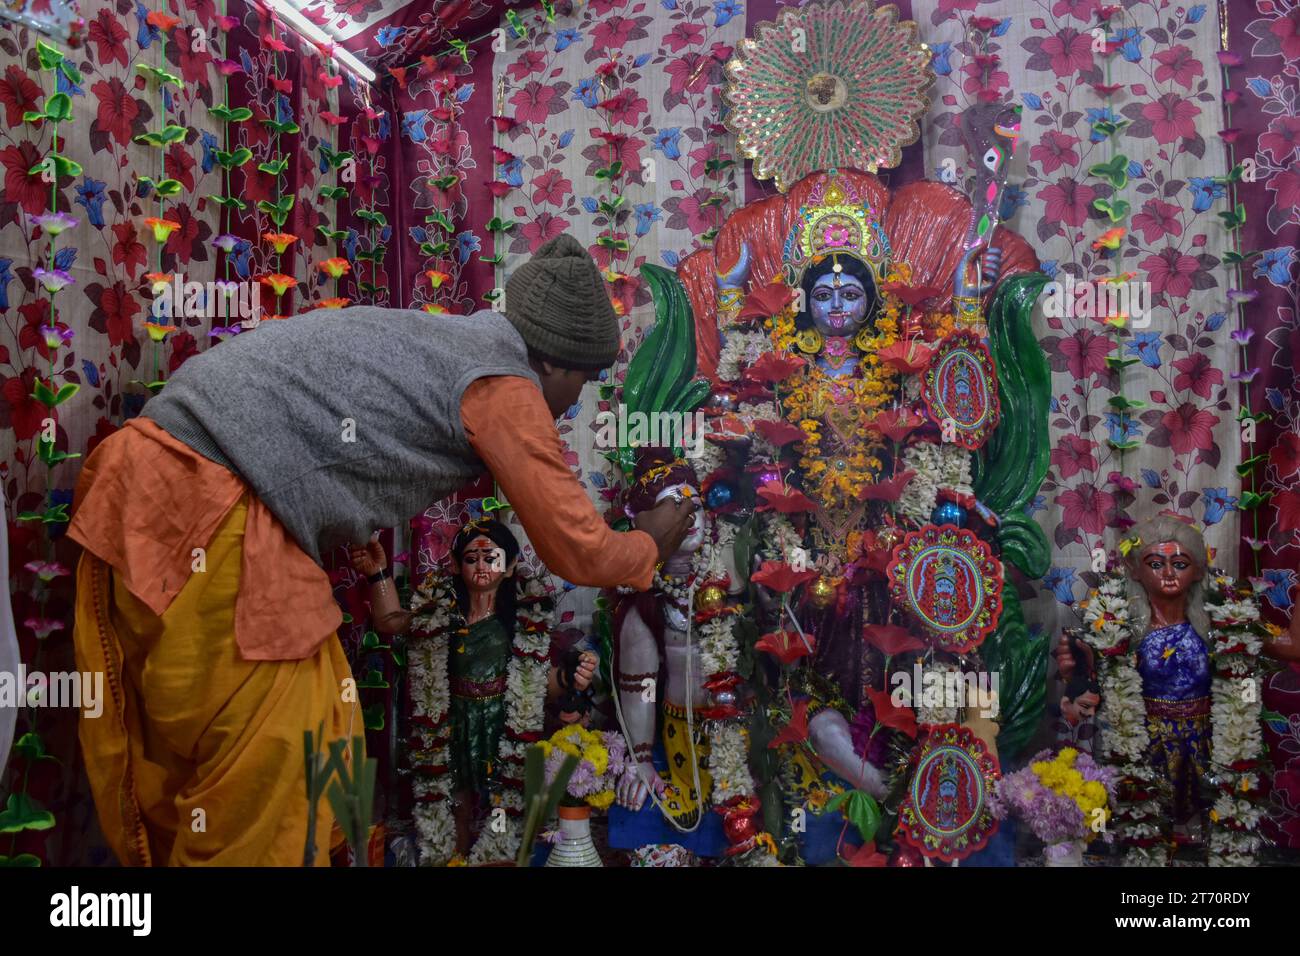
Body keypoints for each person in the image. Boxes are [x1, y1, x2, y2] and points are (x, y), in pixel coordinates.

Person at [66, 233, 696, 866]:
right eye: (582, 383)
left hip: (142, 489)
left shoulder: (451, 342)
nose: (573, 404)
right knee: (279, 766)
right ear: (554, 362)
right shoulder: (503, 381)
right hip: (214, 509)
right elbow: (579, 552)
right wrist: (652, 540)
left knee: (196, 755)